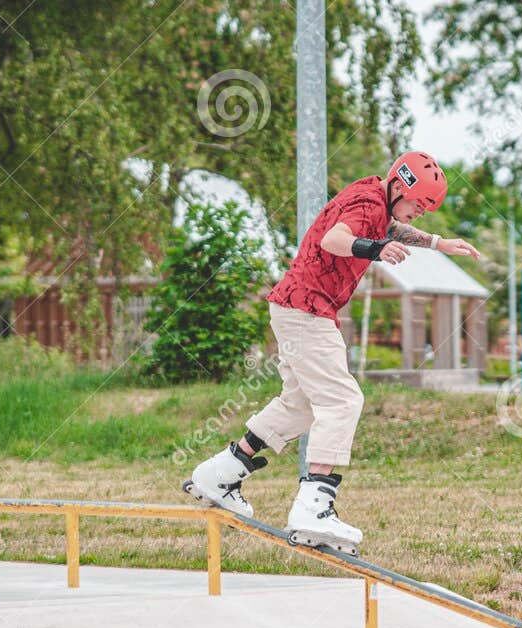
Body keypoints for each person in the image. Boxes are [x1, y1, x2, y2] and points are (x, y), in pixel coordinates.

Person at [186, 151, 481, 551]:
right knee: (342, 400)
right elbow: (335, 240)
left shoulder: (376, 199)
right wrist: (375, 250)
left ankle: (219, 473)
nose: (420, 214)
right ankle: (314, 505)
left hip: (295, 306)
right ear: (400, 187)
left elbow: (391, 227)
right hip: (307, 308)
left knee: (301, 404)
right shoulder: (365, 203)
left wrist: (437, 243)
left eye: (426, 210)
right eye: (419, 204)